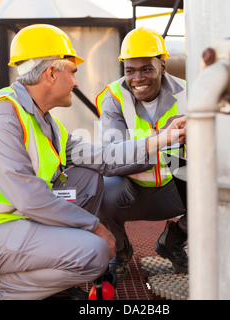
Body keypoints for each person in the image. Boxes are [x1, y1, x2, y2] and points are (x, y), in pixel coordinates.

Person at [0, 24, 186, 300]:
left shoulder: (45, 122)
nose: (77, 82)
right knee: (95, 252)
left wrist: (160, 139)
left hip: (12, 220)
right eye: (73, 72)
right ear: (52, 73)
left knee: (87, 179)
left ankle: (52, 277)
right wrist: (95, 228)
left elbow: (102, 159)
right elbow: (31, 198)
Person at [95, 27, 188, 280]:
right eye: (130, 70)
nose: (137, 78)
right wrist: (159, 141)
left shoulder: (188, 94)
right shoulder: (114, 97)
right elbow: (111, 158)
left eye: (147, 68)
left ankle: (174, 240)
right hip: (131, 190)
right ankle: (121, 250)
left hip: (173, 186)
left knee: (214, 183)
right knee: (103, 186)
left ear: (163, 66)